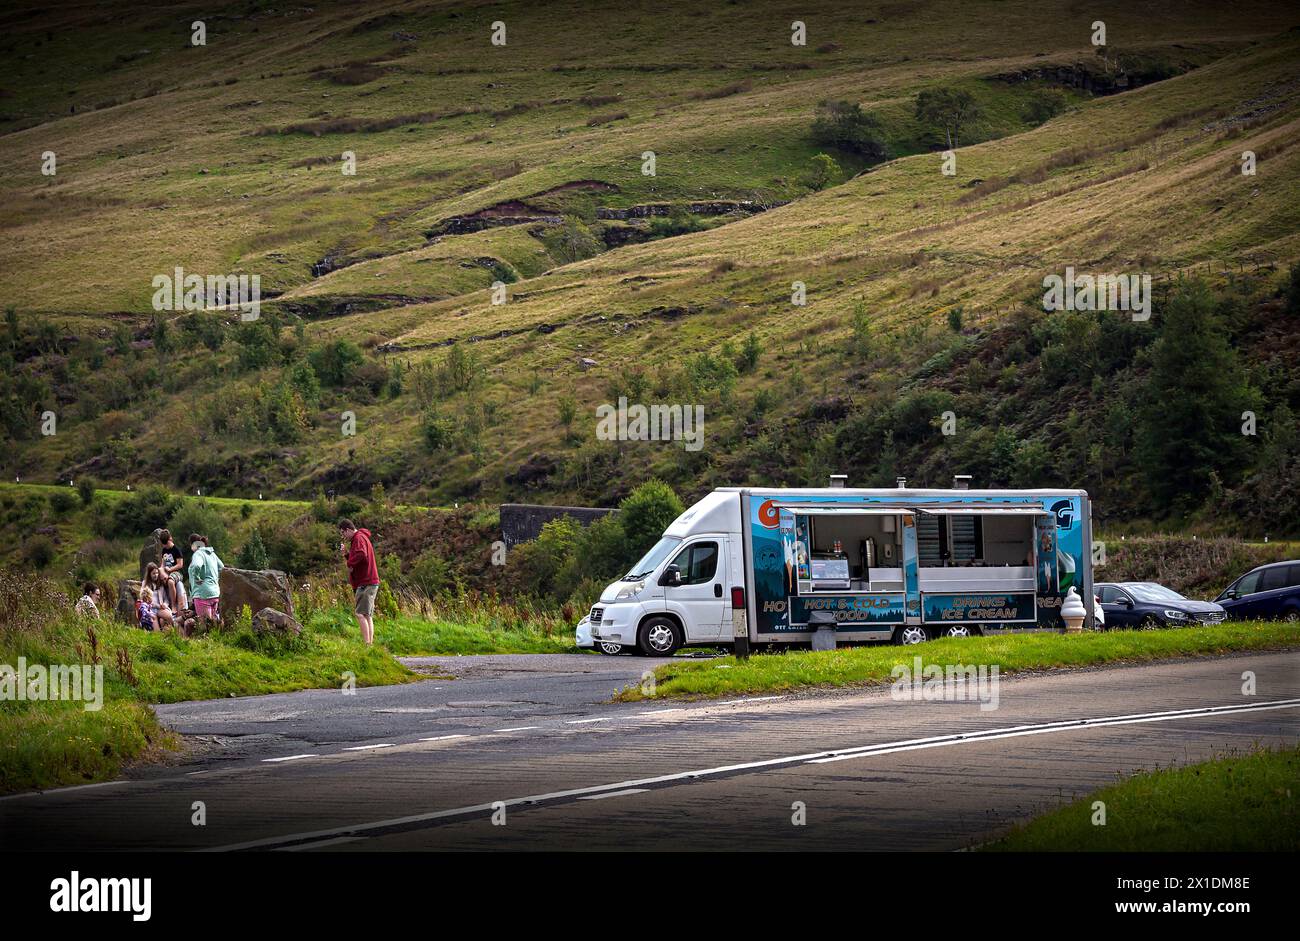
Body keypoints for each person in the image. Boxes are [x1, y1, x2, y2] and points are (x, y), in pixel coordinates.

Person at [339, 519, 379, 645]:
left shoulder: (358, 538)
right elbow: (359, 555)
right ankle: (370, 644)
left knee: (360, 614)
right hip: (369, 580)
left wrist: (350, 563)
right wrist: (346, 555)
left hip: (366, 581)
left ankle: (367, 645)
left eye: (343, 533)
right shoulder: (361, 537)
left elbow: (362, 553)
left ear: (348, 530)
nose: (343, 536)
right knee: (367, 615)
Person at [187, 533, 224, 628]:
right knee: (214, 624)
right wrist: (215, 579)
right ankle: (217, 640)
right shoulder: (212, 554)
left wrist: (197, 578)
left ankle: (206, 642)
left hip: (202, 594)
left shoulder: (198, 553)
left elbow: (196, 566)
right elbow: (222, 567)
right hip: (215, 592)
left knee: (205, 626)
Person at [159, 529, 187, 611]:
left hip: (177, 573)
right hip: (166, 572)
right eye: (163, 544)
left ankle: (173, 605)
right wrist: (161, 571)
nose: (165, 546)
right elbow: (162, 564)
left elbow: (180, 565)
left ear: (170, 539)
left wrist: (170, 569)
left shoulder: (176, 550)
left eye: (166, 544)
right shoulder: (164, 550)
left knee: (170, 582)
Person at [143, 563, 175, 630]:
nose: (156, 575)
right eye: (153, 573)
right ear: (149, 574)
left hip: (160, 609)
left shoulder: (160, 584)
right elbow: (146, 601)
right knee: (157, 631)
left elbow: (166, 598)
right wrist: (158, 606)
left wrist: (165, 604)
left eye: (157, 573)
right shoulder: (145, 584)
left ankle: (174, 632)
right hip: (151, 609)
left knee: (169, 616)